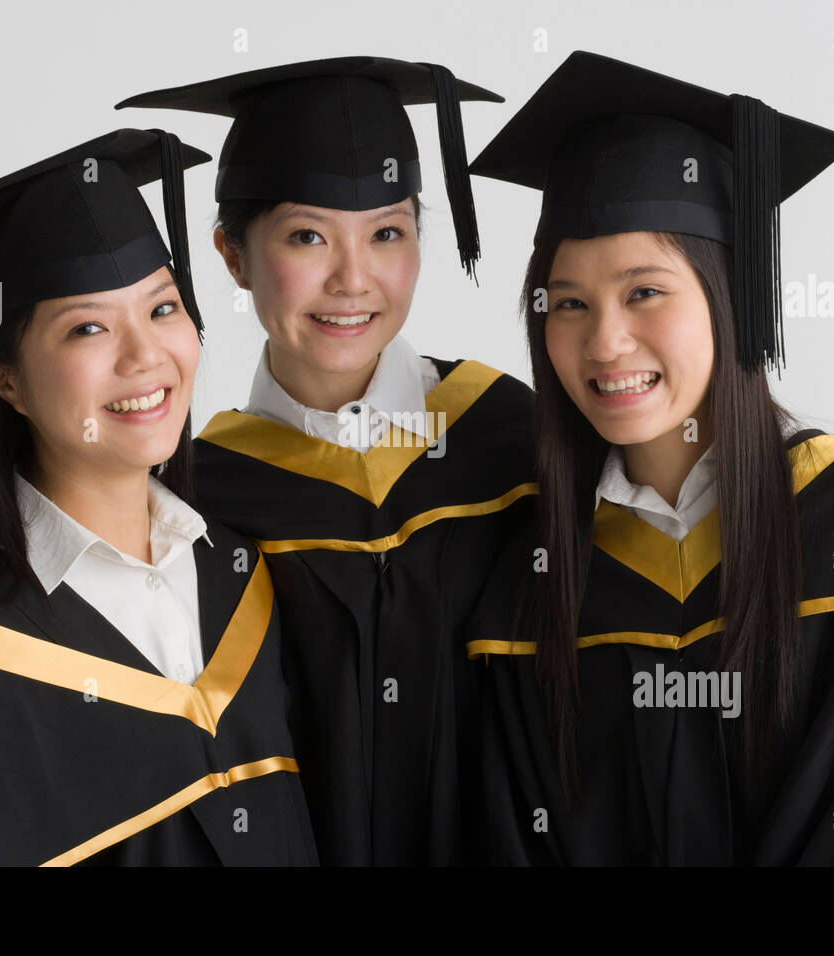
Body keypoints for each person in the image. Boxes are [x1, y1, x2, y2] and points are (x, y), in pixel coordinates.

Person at [464, 51, 834, 865]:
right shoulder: (533, 586)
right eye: (568, 303)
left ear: (734, 295)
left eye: (645, 292)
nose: (604, 340)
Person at [0, 128, 317, 866]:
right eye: (88, 327)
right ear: (5, 378)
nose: (145, 357)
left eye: (161, 308)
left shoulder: (242, 576)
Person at [117, 57, 537, 864]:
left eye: (387, 233)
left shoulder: (513, 439)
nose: (353, 280)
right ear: (233, 257)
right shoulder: (191, 502)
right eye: (307, 236)